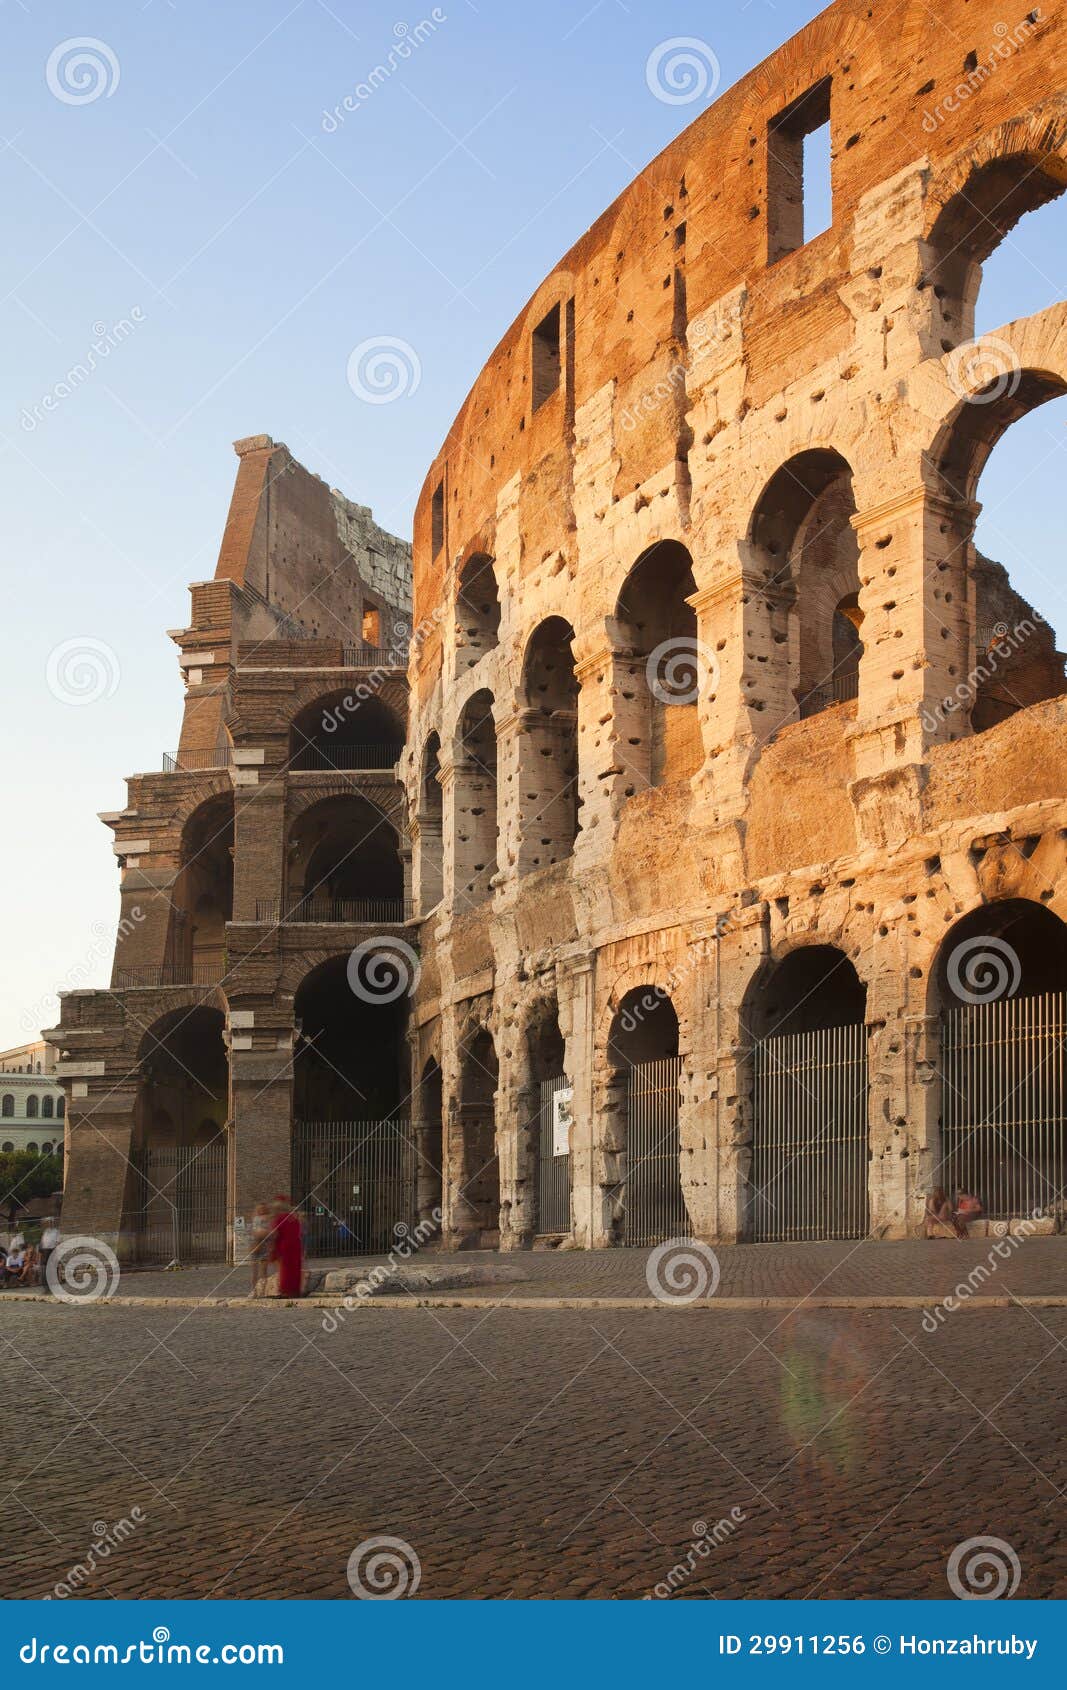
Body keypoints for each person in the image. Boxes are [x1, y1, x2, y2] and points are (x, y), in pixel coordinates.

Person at [269, 1195, 303, 1298]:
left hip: (284, 1245)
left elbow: (275, 1234)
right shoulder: (294, 1218)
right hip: (296, 1245)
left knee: (285, 1268)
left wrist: (272, 1248)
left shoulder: (279, 1218)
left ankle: (285, 1290)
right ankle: (294, 1290)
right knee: (295, 1267)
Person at [247, 1202, 273, 1298]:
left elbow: (269, 1232)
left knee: (263, 1272)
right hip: (255, 1246)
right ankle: (254, 1290)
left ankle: (263, 1290)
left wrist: (262, 1234)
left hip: (264, 1247)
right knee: (254, 1272)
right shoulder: (256, 1219)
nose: (261, 1210)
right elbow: (254, 1232)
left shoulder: (269, 1218)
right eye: (260, 1208)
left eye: (263, 1208)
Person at [39, 1220, 59, 1291]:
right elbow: (42, 1241)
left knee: (52, 1266)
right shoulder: (45, 1231)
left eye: (51, 1223)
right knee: (44, 1266)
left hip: (52, 1249)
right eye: (48, 1223)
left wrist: (55, 1250)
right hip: (45, 1250)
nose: (49, 1224)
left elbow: (57, 1241)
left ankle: (53, 1281)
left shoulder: (56, 1231)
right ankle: (45, 1282)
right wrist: (41, 1248)